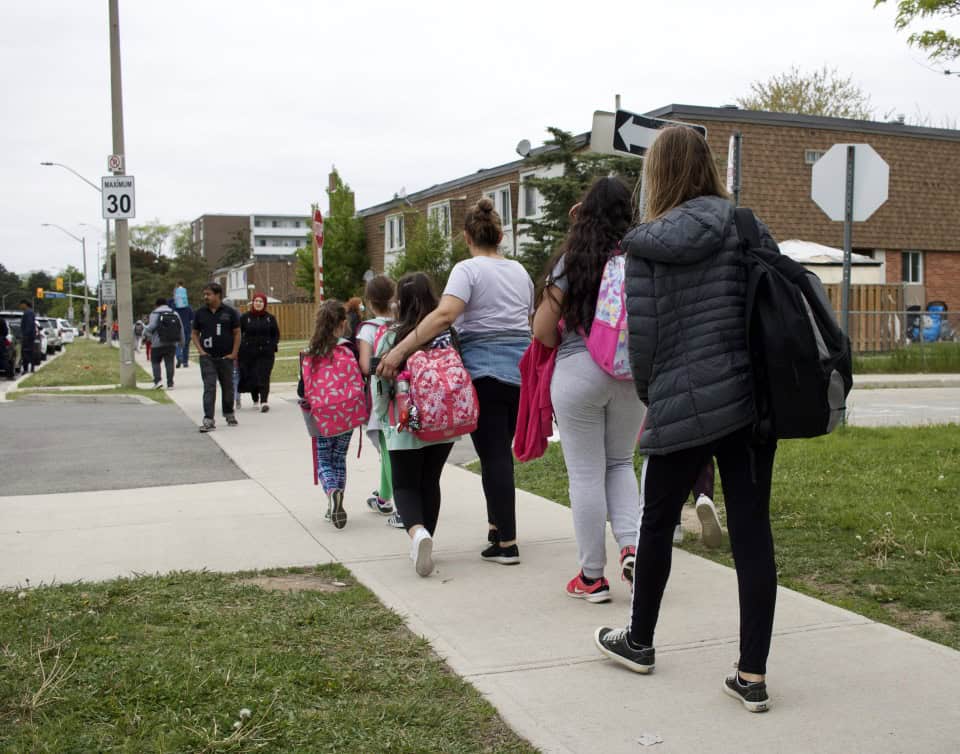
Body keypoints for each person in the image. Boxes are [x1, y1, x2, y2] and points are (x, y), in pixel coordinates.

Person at [592, 126, 781, 713]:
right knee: (752, 532)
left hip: (678, 395)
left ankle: (640, 640)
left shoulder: (645, 245)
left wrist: (653, 395)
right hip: (748, 399)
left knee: (655, 522)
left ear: (659, 174)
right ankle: (752, 675)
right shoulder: (745, 226)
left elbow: (642, 342)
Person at [377, 198, 533, 565]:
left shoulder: (468, 270)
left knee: (494, 456)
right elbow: (524, 318)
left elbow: (445, 315)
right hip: (520, 372)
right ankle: (496, 528)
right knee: (498, 452)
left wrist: (400, 350)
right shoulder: (520, 271)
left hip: (485, 372)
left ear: (467, 236)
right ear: (501, 235)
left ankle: (507, 542)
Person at [532, 177, 644, 603]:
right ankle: (632, 550)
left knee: (585, 474)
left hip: (579, 369)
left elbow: (543, 332)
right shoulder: (642, 257)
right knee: (619, 463)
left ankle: (592, 577)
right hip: (630, 374)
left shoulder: (573, 259)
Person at [372, 273, 457, 577]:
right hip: (444, 422)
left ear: (401, 301)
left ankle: (418, 534)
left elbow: (381, 384)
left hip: (405, 421)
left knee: (405, 485)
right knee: (430, 480)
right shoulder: (448, 332)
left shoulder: (392, 336)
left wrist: (382, 416)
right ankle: (426, 537)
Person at [298, 300, 360, 529]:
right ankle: (336, 500)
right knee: (339, 458)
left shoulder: (309, 352)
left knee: (323, 459)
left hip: (320, 415)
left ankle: (331, 492)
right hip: (347, 413)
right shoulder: (349, 348)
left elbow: (302, 389)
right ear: (343, 324)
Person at [355, 275, 399, 523]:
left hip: (381, 395)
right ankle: (383, 497)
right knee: (397, 444)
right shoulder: (402, 323)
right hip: (405, 393)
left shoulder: (368, 329)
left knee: (388, 447)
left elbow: (365, 366)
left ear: (369, 301)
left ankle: (400, 506)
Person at [192, 282, 241, 432]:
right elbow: (194, 333)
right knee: (209, 387)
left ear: (218, 295)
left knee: (227, 387)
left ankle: (228, 412)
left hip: (226, 357)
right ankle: (208, 419)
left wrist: (233, 353)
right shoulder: (200, 313)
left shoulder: (230, 313)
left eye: (208, 294)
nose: (205, 297)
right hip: (208, 357)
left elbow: (237, 333)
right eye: (205, 294)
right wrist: (201, 351)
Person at [238, 293, 280, 412]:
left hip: (266, 353)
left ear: (264, 304)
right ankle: (255, 399)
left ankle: (264, 401)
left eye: (261, 301)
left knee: (264, 376)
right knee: (253, 376)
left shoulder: (270, 318)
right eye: (256, 301)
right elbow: (238, 333)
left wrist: (272, 345)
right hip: (249, 353)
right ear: (253, 302)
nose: (258, 303)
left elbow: (276, 334)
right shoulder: (245, 317)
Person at [143, 297, 183, 389]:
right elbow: (180, 328)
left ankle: (158, 381)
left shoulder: (154, 313)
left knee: (155, 362)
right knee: (169, 363)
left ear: (156, 305)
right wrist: (181, 342)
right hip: (171, 343)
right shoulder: (175, 313)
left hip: (157, 343)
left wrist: (145, 333)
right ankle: (170, 384)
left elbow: (151, 327)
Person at [18, 300, 36, 373]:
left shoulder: (28, 313)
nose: (20, 307)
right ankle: (31, 368)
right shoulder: (30, 312)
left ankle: (26, 369)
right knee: (30, 352)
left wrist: (25, 336)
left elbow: (29, 325)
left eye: (20, 305)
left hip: (27, 337)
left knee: (25, 352)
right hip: (30, 336)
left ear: (25, 304)